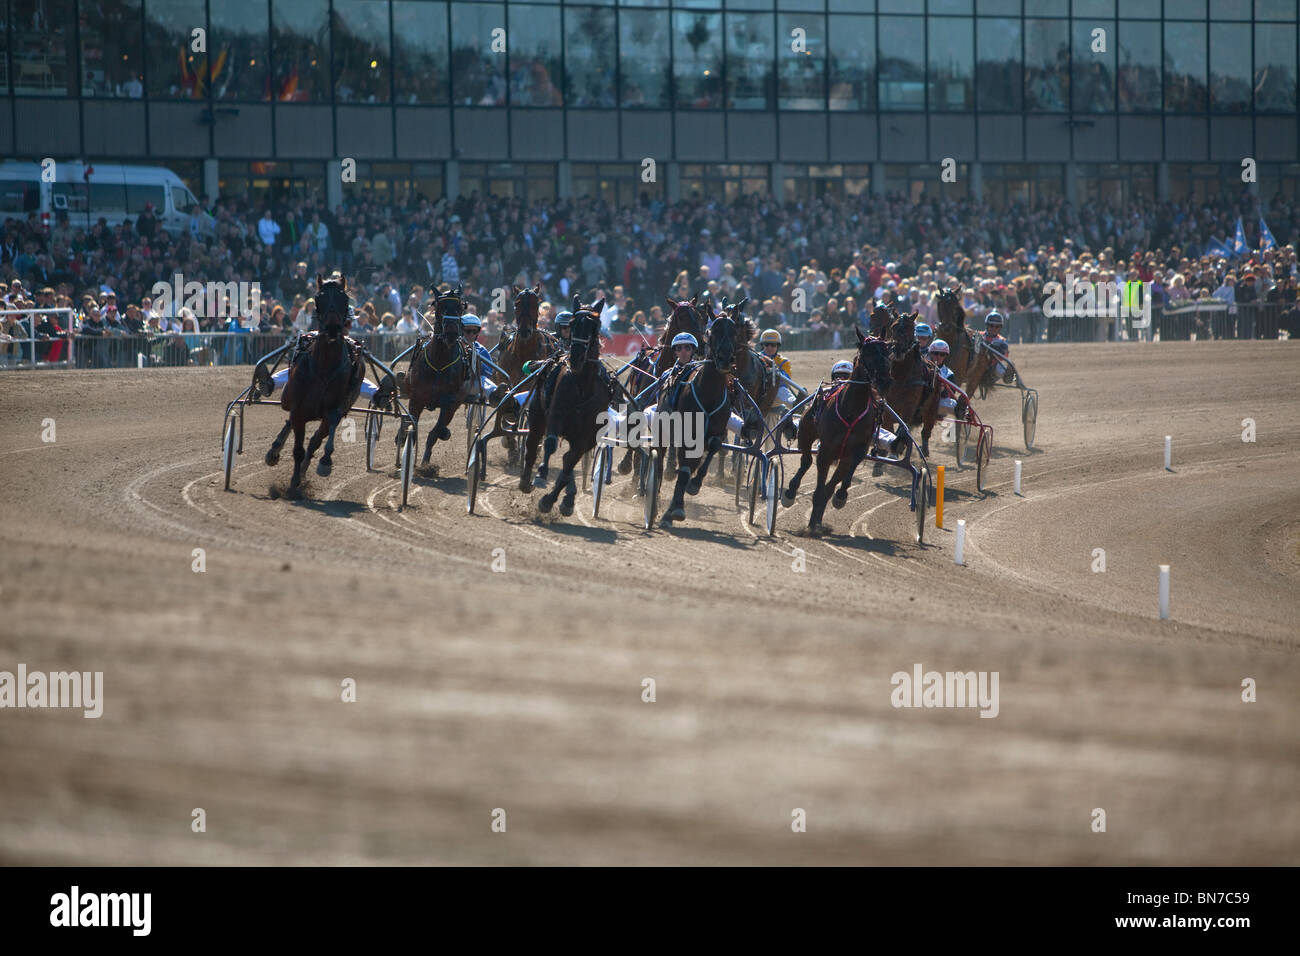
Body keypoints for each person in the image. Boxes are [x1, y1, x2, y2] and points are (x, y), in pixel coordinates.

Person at [758, 328, 806, 408]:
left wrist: (773, 373)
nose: (769, 347)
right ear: (762, 345)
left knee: (782, 390)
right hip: (759, 394)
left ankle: (795, 405)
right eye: (767, 344)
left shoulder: (783, 361)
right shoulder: (756, 358)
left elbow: (786, 381)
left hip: (775, 395)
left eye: (773, 345)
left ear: (777, 346)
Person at [981, 312, 1012, 382]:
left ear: (1000, 328)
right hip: (978, 365)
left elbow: (1004, 356)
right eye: (991, 325)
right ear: (987, 325)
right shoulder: (979, 336)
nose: (994, 328)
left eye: (997, 326)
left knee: (1000, 365)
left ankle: (1006, 375)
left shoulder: (1002, 341)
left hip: (992, 369)